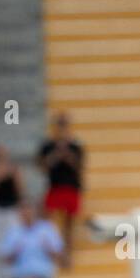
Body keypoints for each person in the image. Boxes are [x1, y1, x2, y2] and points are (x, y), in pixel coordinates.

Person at [38, 113, 85, 263]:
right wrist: (58, 154)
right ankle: (53, 251)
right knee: (49, 221)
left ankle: (67, 254)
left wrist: (67, 153)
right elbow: (44, 166)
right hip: (55, 187)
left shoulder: (76, 145)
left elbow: (79, 166)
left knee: (68, 224)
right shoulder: (48, 146)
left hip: (71, 188)